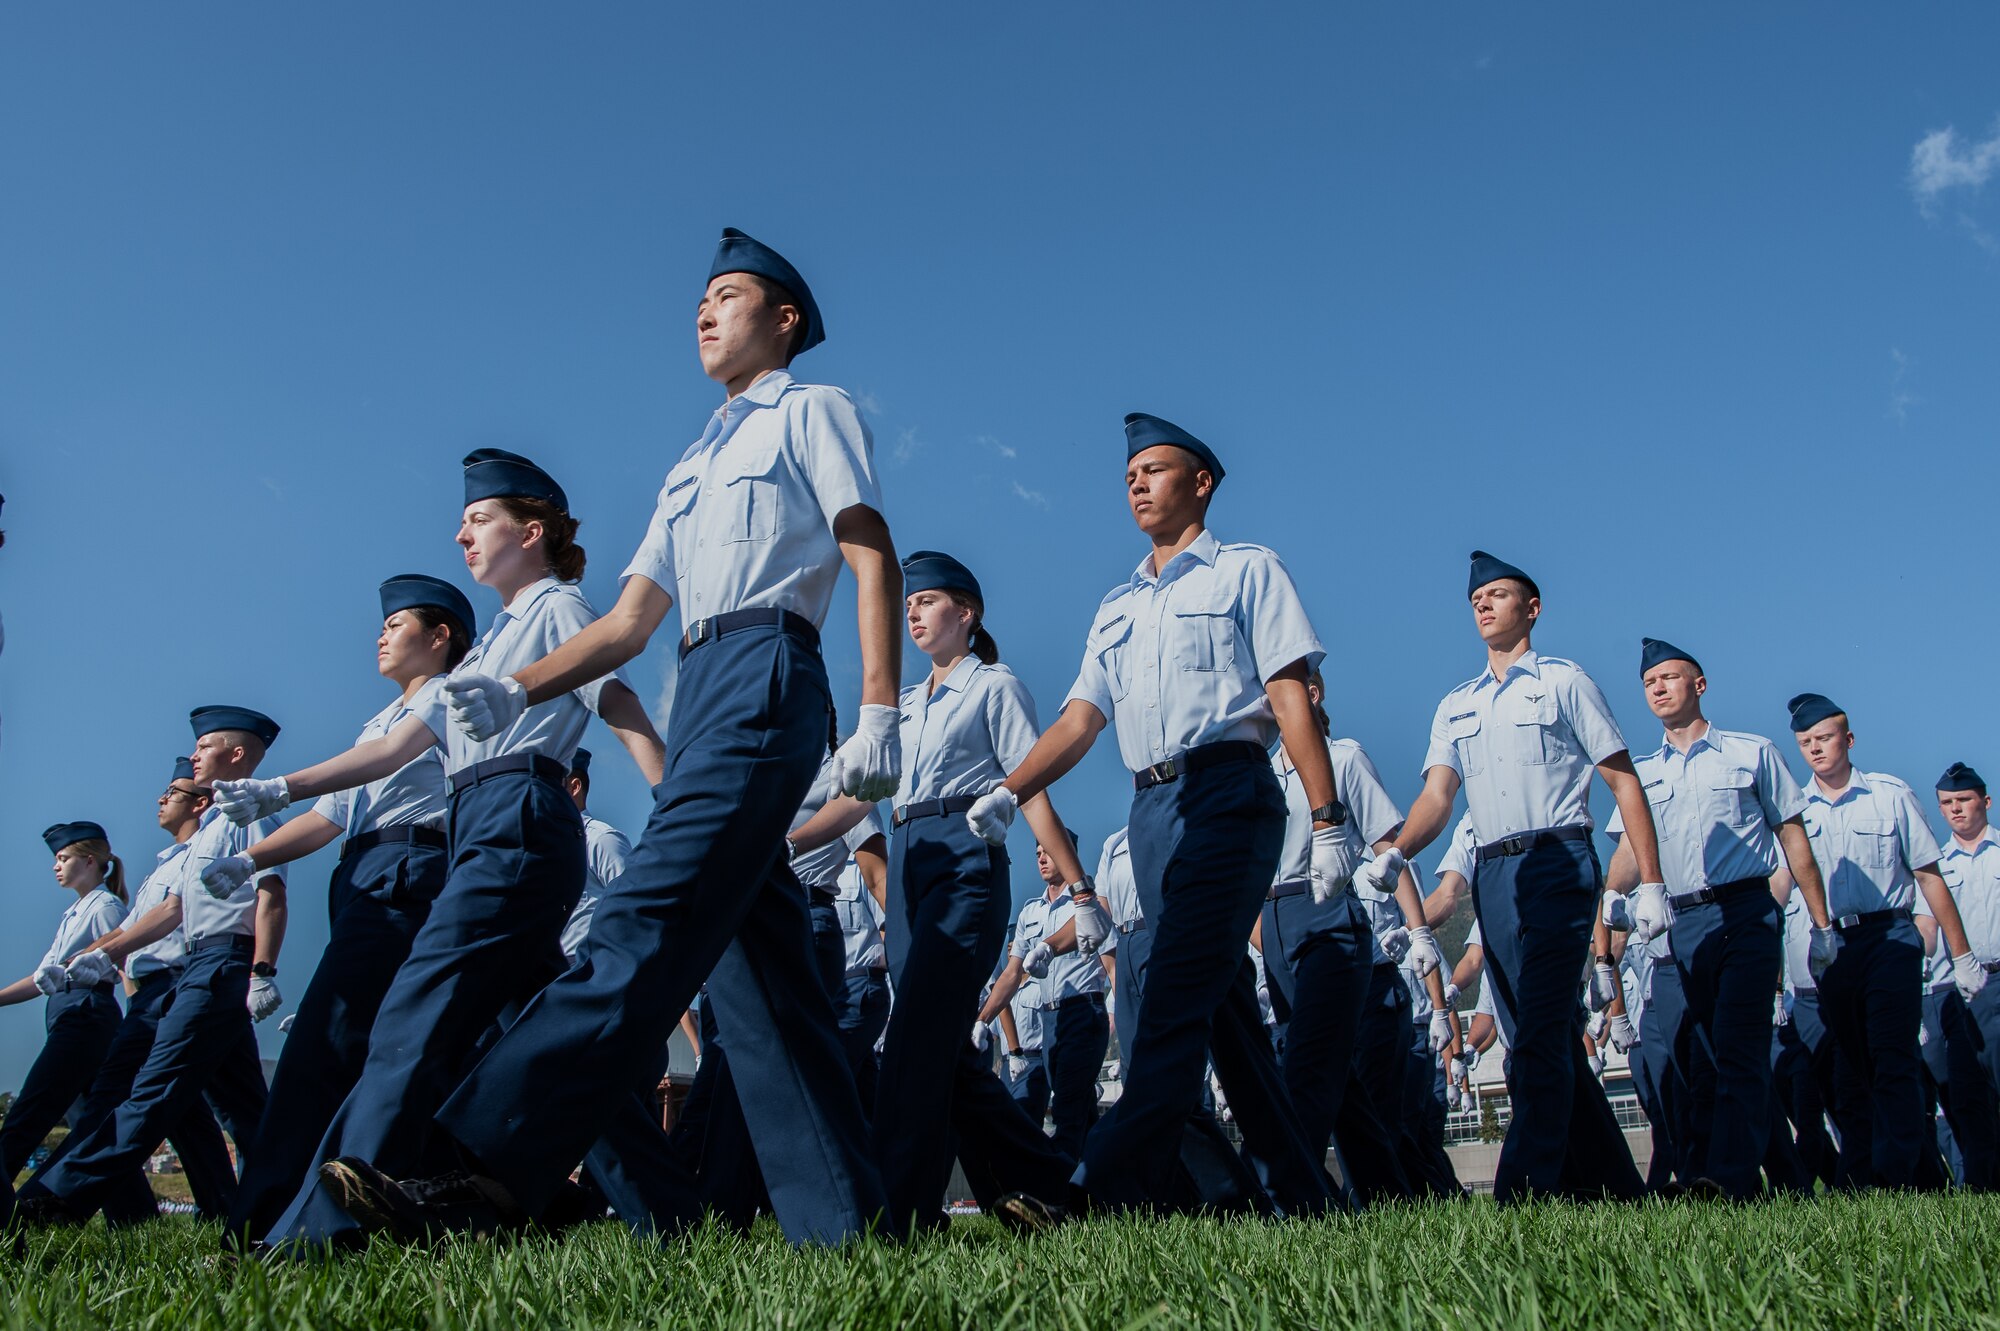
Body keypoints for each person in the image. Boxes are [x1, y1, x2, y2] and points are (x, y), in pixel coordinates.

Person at [331, 228, 899, 1247]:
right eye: (701, 297)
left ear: (784, 320)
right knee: (759, 970)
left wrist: (880, 707)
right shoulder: (691, 461)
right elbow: (626, 624)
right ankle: (848, 1229)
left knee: (646, 913)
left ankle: (476, 1163)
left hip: (772, 663)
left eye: (729, 294)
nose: (704, 309)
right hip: (702, 685)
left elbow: (868, 551)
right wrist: (512, 688)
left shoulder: (813, 409)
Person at [218, 450, 667, 1250]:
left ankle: (316, 1233)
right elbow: (392, 750)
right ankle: (671, 1210)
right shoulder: (492, 640)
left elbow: (616, 695)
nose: (460, 534)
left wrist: (672, 797)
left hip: (519, 814)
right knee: (540, 1031)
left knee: (412, 1014)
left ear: (531, 533)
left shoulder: (558, 606)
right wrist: (279, 789)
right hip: (481, 826)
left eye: (477, 520)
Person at [976, 413, 1345, 1223]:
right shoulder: (1116, 605)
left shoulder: (1247, 571)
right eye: (1129, 474)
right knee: (1221, 1008)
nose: (1137, 482)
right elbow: (1080, 718)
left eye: (1155, 468)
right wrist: (1012, 787)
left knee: (1173, 996)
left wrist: (1326, 817)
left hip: (1228, 791)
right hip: (1152, 810)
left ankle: (1092, 1189)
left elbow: (1287, 696)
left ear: (1201, 482)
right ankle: (1301, 1195)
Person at [1348, 551, 1660, 1204]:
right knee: (1534, 1034)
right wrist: (1397, 851)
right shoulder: (1456, 704)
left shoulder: (1564, 682)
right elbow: (1438, 797)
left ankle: (1523, 1190)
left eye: (1497, 594)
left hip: (1558, 861)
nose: (1484, 604)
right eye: (1476, 599)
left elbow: (1622, 779)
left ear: (1532, 607)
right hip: (1493, 872)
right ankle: (1614, 1185)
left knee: (1542, 1030)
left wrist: (1648, 881)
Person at [198, 574, 474, 1241]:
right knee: (391, 1049)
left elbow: (388, 757)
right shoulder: (376, 717)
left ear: (440, 638)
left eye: (398, 622)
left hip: (408, 870)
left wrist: (277, 787)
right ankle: (419, 1206)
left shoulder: (442, 696)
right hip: (363, 873)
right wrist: (250, 860)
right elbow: (329, 818)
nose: (381, 633)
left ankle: (260, 1222)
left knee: (325, 1044)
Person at [19, 708, 286, 1226]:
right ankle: (262, 1217)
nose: (192, 758)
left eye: (204, 748)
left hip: (219, 964)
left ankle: (47, 1203)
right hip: (198, 968)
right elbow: (170, 911)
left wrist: (262, 971)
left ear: (234, 755)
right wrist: (96, 956)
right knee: (245, 1111)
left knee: (154, 1092)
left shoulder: (247, 815)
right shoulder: (200, 838)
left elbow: (270, 893)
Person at [1600, 639, 1834, 1199]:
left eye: (1669, 678)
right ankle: (1786, 1177)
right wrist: (1611, 897)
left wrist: (1821, 926)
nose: (1657, 688)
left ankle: (1725, 1182)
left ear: (1698, 685)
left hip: (1746, 912)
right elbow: (1632, 848)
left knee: (1736, 1048)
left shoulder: (1750, 753)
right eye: (1649, 683)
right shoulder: (1644, 773)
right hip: (1681, 923)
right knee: (1702, 1058)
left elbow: (1793, 838)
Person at [1788, 692, 1985, 1187]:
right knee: (1858, 1065)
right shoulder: (1793, 808)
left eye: (1825, 738)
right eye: (1806, 741)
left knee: (1892, 1053)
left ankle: (1891, 1178)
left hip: (1890, 938)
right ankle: (1924, 1176)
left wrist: (1959, 955)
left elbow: (1929, 875)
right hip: (1834, 948)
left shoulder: (1889, 795)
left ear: (1848, 740)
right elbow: (1780, 879)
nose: (1815, 749)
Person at [0, 822, 129, 1178]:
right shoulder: (74, 913)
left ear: (89, 861)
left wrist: (138, 1021)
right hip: (70, 1014)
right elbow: (42, 979)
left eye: (62, 858)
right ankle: (133, 1213)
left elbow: (126, 963)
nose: (55, 866)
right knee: (95, 1123)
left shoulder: (105, 907)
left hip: (85, 1015)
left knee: (31, 1109)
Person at [981, 833, 1111, 1160]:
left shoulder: (1087, 901)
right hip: (1049, 1020)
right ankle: (1103, 1191)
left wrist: (1116, 1010)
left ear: (1067, 854)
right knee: (1080, 1110)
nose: (1040, 858)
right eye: (1037, 852)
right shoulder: (1030, 913)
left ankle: (1059, 1194)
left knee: (1067, 1107)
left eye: (1048, 851)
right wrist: (983, 1019)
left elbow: (1109, 959)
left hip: (1084, 1010)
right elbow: (1012, 974)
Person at [1914, 762, 2000, 1188]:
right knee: (1965, 1094)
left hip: (1998, 981)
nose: (1956, 810)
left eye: (1963, 800)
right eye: (1946, 804)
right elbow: (1926, 927)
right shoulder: (1935, 867)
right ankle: (1983, 1188)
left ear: (1985, 801)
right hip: (1952, 992)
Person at [558, 749, 633, 960]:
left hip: (587, 967)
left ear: (574, 787)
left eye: (550, 785)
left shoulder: (601, 839)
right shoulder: (541, 845)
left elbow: (633, 906)